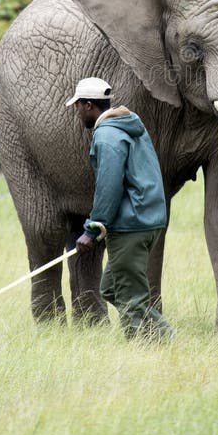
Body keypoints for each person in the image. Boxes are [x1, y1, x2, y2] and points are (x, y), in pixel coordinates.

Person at [66, 76, 174, 341]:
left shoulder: (107, 136)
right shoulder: (127, 126)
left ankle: (153, 346)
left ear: (89, 105)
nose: (77, 112)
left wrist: (92, 228)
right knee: (112, 288)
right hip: (148, 219)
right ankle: (163, 339)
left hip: (131, 225)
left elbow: (109, 186)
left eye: (78, 106)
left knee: (131, 297)